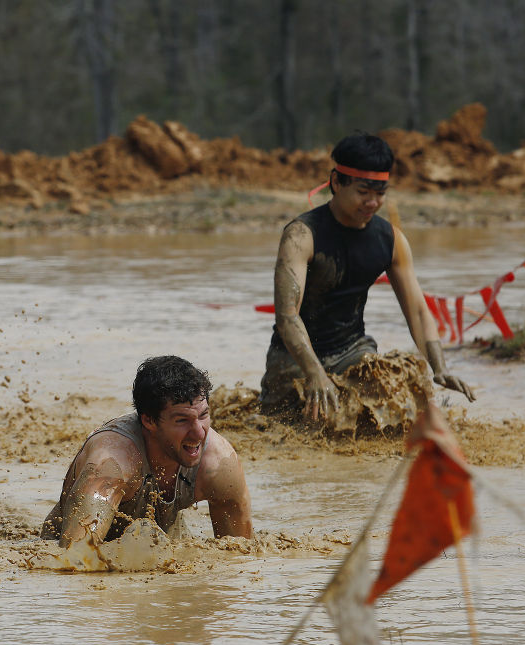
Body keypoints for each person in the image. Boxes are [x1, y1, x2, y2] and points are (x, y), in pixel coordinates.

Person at [260, 132, 475, 423]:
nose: (373, 202)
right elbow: (287, 316)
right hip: (294, 358)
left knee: (399, 413)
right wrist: (315, 374)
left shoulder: (391, 239)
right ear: (336, 183)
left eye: (381, 193)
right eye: (363, 192)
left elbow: (418, 310)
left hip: (353, 350)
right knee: (306, 428)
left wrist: (439, 368)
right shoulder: (301, 236)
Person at [42, 355, 253, 547]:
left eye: (203, 415)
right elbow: (75, 556)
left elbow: (240, 555)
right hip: (60, 543)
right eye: (182, 420)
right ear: (149, 420)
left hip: (165, 543)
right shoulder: (112, 463)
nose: (199, 433)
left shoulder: (218, 464)